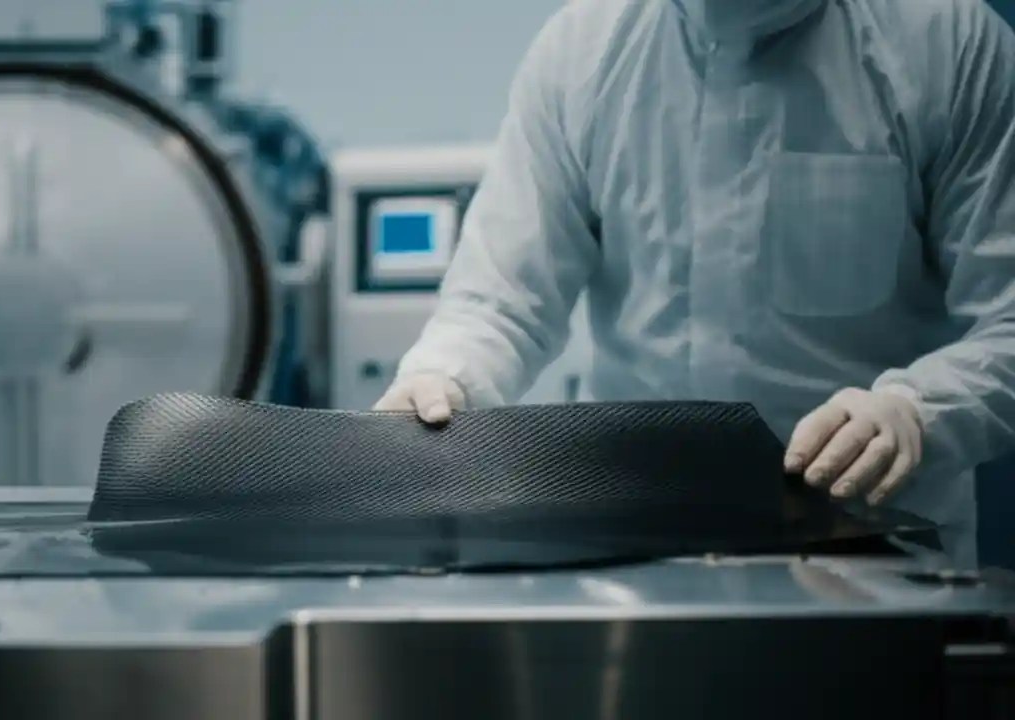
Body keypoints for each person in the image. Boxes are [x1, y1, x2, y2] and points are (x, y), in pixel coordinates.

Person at [375, 0, 1015, 566]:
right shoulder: (581, 53)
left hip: (880, 552)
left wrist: (918, 412)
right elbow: (499, 304)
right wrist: (444, 378)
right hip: (639, 558)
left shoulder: (949, 44)